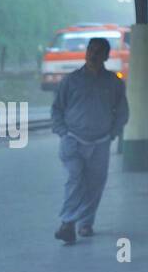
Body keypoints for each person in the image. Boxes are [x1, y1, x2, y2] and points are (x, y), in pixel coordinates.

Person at [51, 36, 129, 243]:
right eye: (90, 50)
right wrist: (63, 132)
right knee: (74, 179)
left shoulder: (114, 83)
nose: (93, 55)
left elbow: (122, 112)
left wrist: (112, 134)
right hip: (72, 140)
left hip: (100, 142)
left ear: (106, 55)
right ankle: (67, 223)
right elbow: (57, 109)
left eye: (98, 51)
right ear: (86, 52)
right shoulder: (71, 81)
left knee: (94, 184)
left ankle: (85, 223)